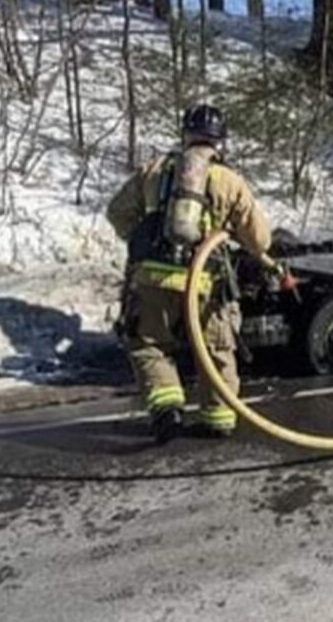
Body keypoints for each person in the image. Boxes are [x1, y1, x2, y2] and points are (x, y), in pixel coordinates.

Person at [107, 104, 272, 442]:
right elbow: (260, 240)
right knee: (215, 350)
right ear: (220, 142)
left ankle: (167, 409)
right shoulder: (228, 180)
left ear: (186, 135)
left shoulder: (152, 170)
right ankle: (219, 418)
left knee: (150, 344)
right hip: (206, 283)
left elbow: (116, 212)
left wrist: (143, 235)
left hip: (153, 278)